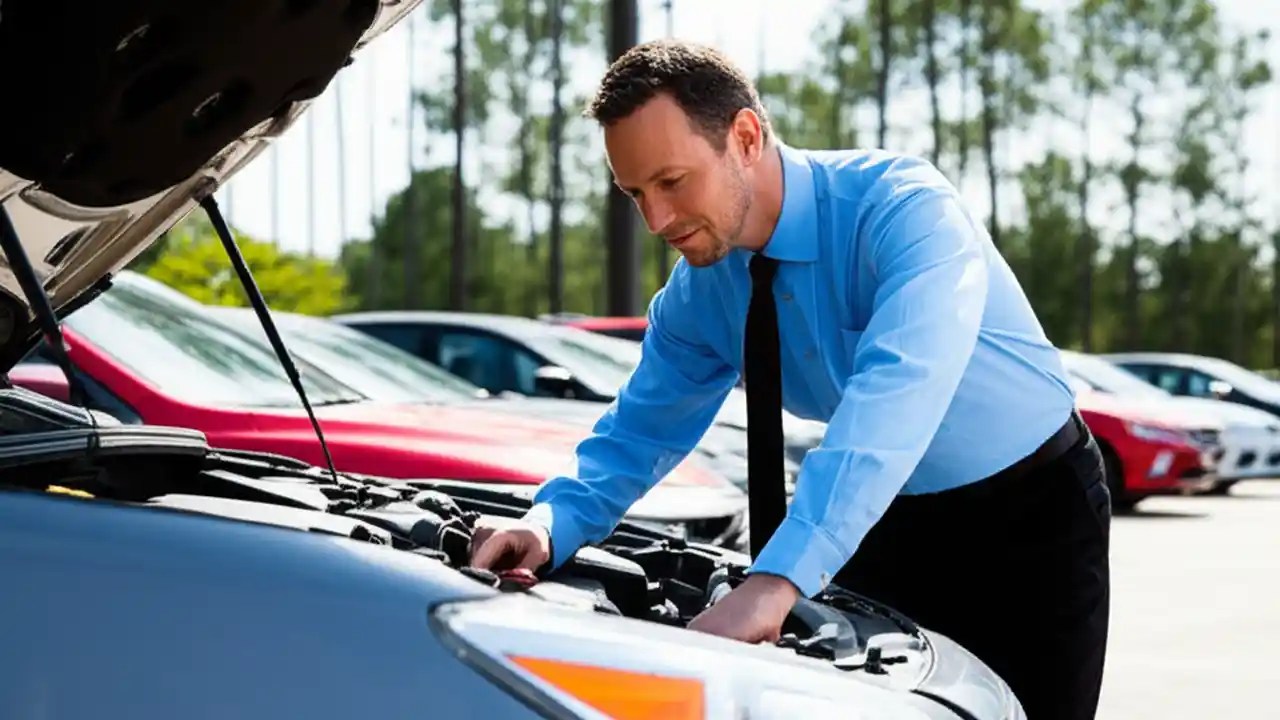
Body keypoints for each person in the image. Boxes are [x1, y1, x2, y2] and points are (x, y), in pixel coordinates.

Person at [469, 39, 1110, 720]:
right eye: (635, 194)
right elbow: (640, 429)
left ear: (745, 136)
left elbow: (892, 402)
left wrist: (774, 582)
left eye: (672, 181)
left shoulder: (905, 212)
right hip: (879, 520)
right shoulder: (700, 292)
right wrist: (551, 522)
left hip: (1032, 518)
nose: (656, 220)